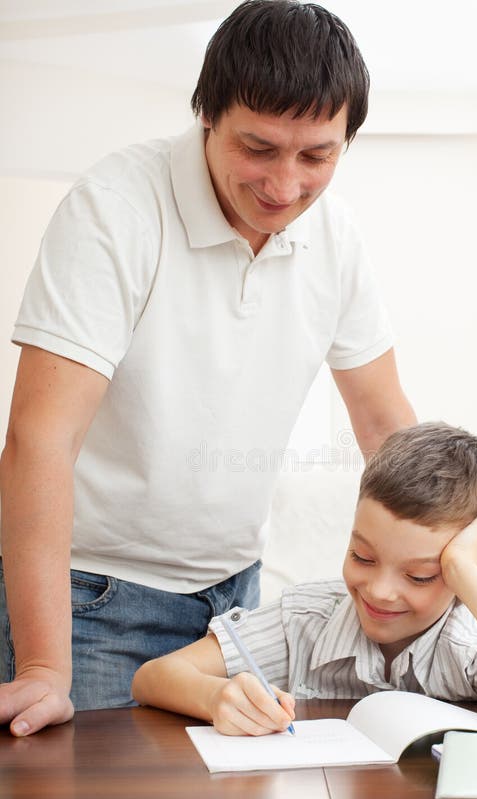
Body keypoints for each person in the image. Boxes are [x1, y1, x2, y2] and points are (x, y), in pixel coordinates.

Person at [0, 0, 416, 737]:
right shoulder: (115, 210)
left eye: (316, 156)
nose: (285, 187)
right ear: (205, 115)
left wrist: (449, 567)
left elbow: (385, 424)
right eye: (258, 148)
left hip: (236, 609)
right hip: (91, 604)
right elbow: (41, 440)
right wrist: (42, 668)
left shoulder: (336, 235)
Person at [132, 422, 477, 735]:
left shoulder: (466, 641)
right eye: (362, 556)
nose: (378, 591)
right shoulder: (304, 620)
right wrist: (216, 697)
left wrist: (468, 574)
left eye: (420, 576)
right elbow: (153, 678)